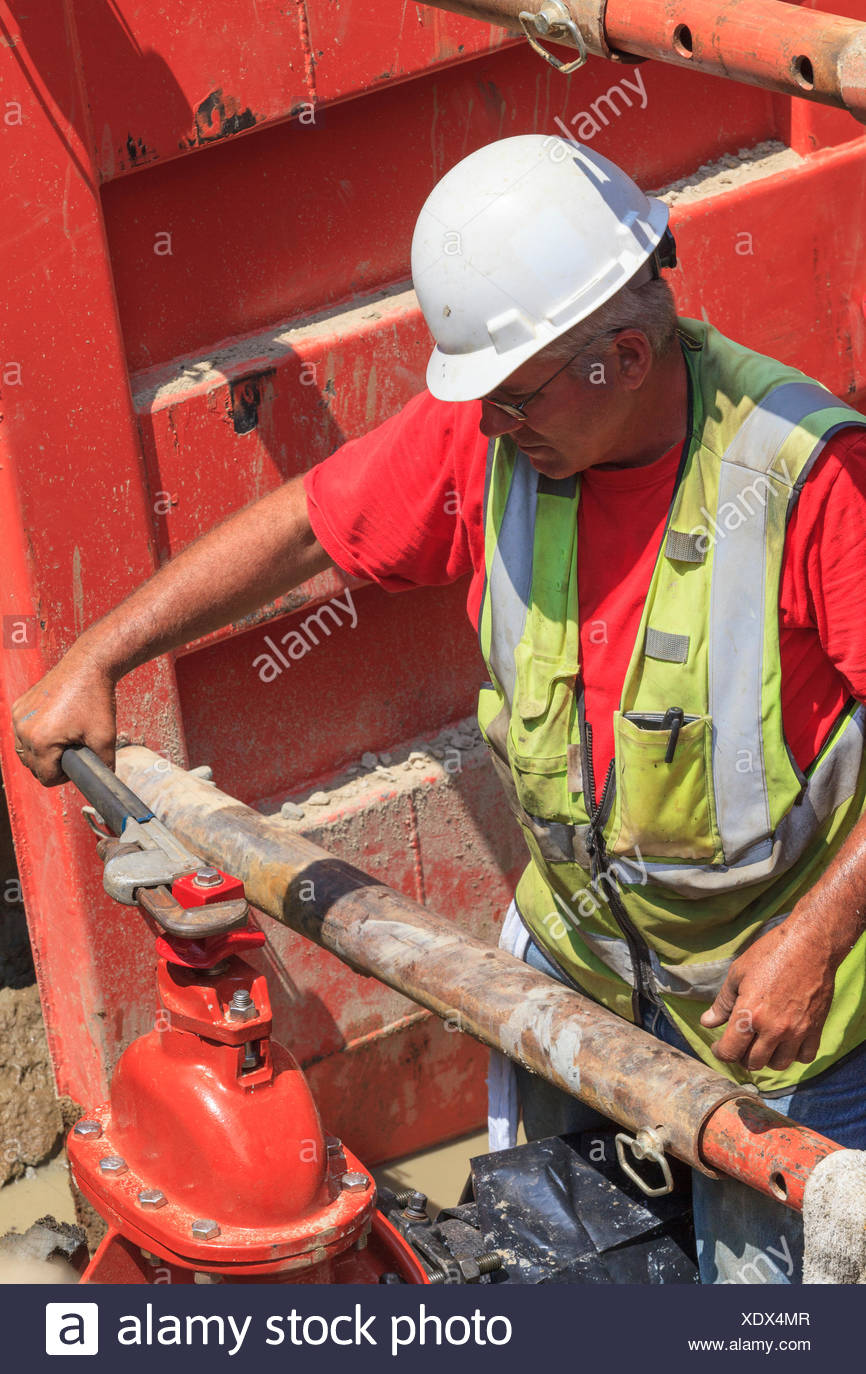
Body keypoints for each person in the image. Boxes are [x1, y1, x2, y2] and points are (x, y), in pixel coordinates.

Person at [12, 134, 866, 1284]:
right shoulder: (499, 432)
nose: (490, 425)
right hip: (579, 982)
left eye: (512, 397)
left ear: (621, 354)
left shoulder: (806, 481)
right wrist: (102, 653)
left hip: (788, 1030)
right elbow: (308, 527)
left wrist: (813, 941)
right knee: (563, 1283)